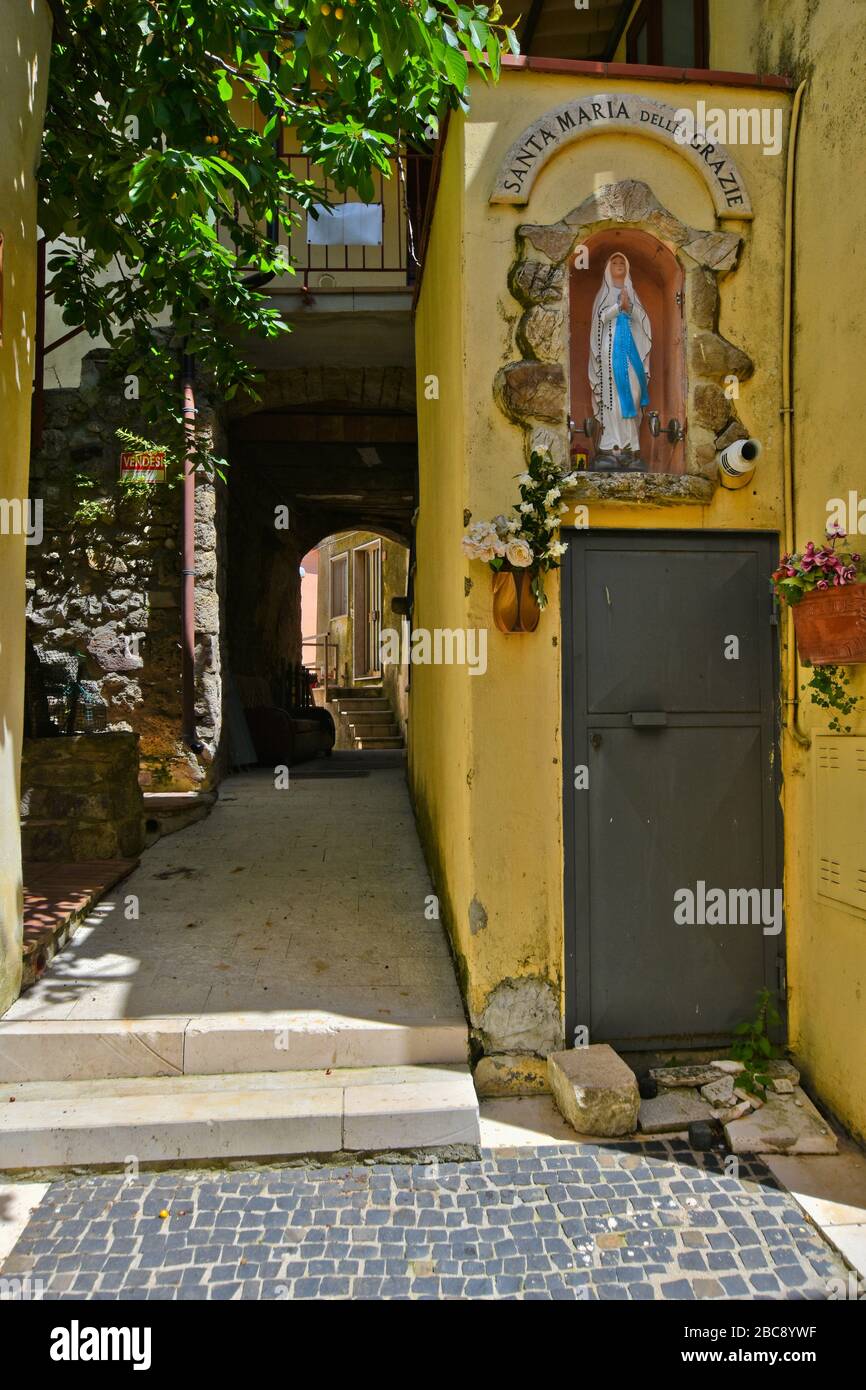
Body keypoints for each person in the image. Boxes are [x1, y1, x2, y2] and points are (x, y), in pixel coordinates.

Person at [589, 252, 652, 471]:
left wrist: (630, 306)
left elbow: (643, 322)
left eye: (621, 263)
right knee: (612, 397)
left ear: (627, 268)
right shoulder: (604, 293)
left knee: (633, 393)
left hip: (630, 352)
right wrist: (617, 308)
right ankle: (610, 448)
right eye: (614, 262)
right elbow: (599, 319)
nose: (618, 265)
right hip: (610, 352)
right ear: (608, 268)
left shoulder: (631, 292)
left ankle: (630, 447)